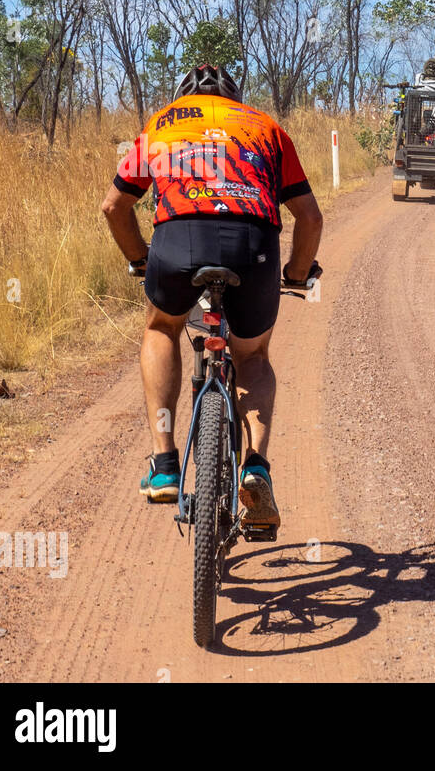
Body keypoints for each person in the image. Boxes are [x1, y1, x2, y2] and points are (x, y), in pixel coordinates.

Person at [101, 64, 323, 535]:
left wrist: (141, 260)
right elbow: (310, 216)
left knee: (162, 327)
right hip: (253, 243)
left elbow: (114, 206)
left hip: (179, 239)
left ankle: (164, 464)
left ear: (184, 96)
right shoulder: (264, 126)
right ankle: (256, 467)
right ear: (233, 97)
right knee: (253, 354)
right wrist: (298, 274)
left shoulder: (162, 123)